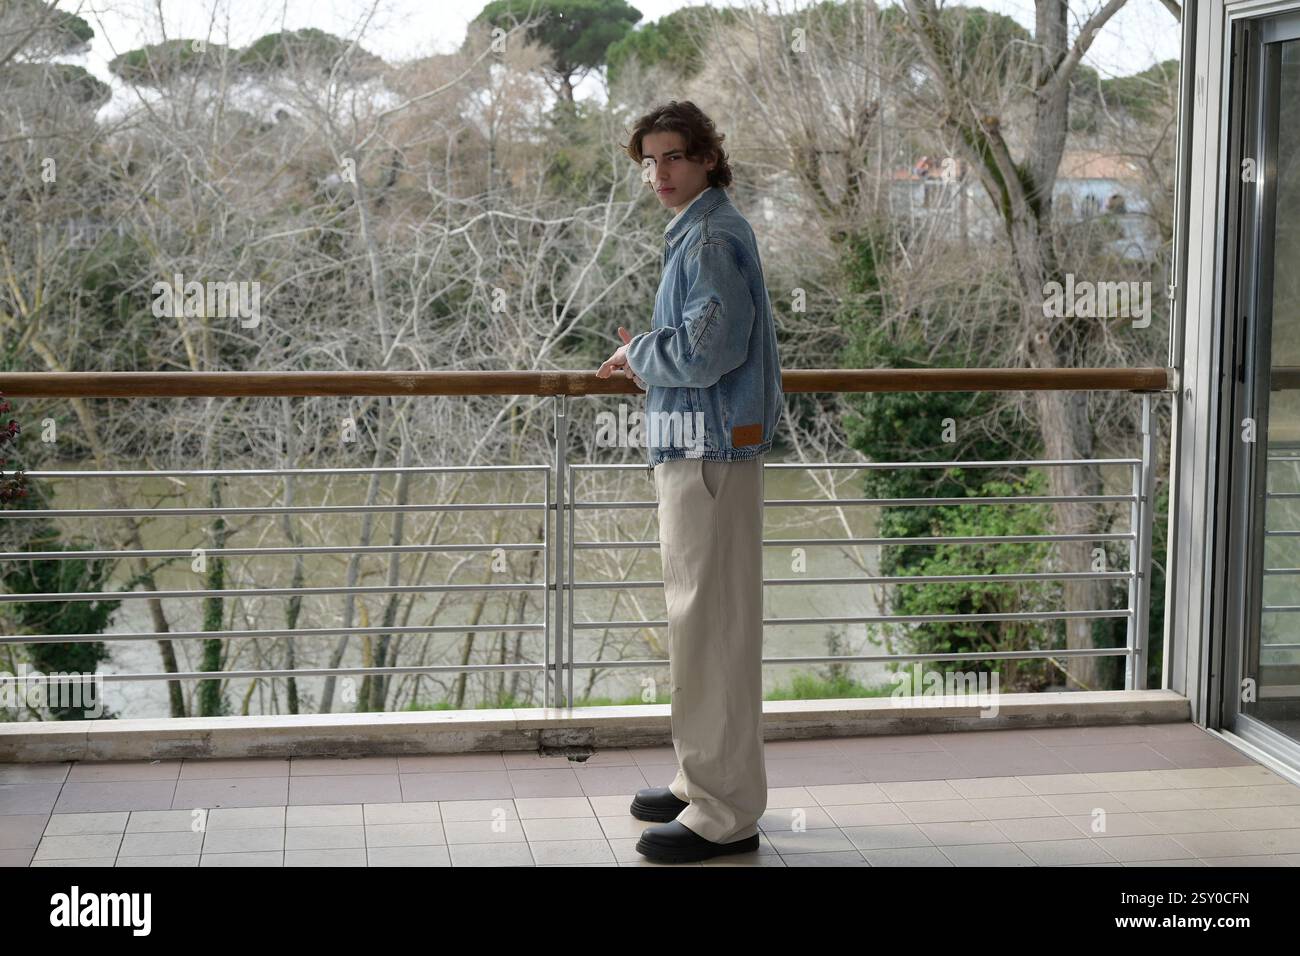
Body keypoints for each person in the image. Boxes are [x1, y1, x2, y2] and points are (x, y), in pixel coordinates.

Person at [596, 100, 784, 863]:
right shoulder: (701, 231)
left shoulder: (708, 236)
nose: (658, 173)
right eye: (647, 160)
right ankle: (699, 777)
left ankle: (726, 811)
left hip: (710, 452)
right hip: (700, 447)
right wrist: (649, 356)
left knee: (714, 634)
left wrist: (643, 354)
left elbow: (710, 351)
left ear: (707, 157)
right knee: (699, 627)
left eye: (673, 156)